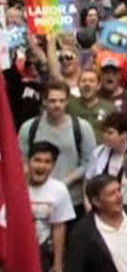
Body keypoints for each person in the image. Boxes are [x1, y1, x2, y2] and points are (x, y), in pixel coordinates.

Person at [19, 81, 96, 217]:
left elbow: (89, 162)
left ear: (67, 102)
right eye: (52, 101)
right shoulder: (29, 127)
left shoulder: (82, 128)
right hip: (37, 200)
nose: (57, 105)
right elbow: (21, 159)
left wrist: (64, 182)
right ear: (44, 101)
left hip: (71, 199)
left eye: (61, 101)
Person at [27, 141, 75, 272]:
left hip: (42, 251)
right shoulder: (14, 186)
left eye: (47, 162)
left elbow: (59, 227)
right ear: (28, 161)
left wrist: (57, 264)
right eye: (37, 160)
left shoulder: (59, 189)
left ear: (53, 165)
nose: (41, 166)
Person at [84, 112, 127, 182]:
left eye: (110, 133)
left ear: (124, 135)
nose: (105, 136)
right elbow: (88, 180)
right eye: (104, 132)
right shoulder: (98, 152)